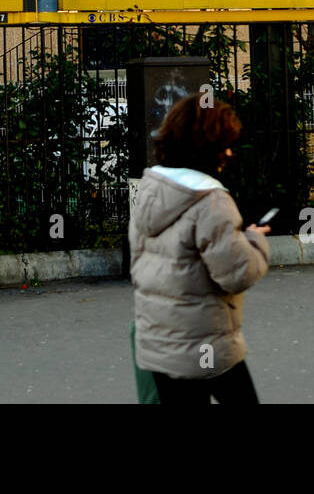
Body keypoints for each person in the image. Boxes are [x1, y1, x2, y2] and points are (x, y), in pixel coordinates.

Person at [129, 92, 270, 404]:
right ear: (208, 147)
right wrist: (255, 240)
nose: (230, 152)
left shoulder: (151, 190)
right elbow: (236, 274)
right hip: (204, 344)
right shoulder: (211, 202)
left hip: (159, 345)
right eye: (226, 144)